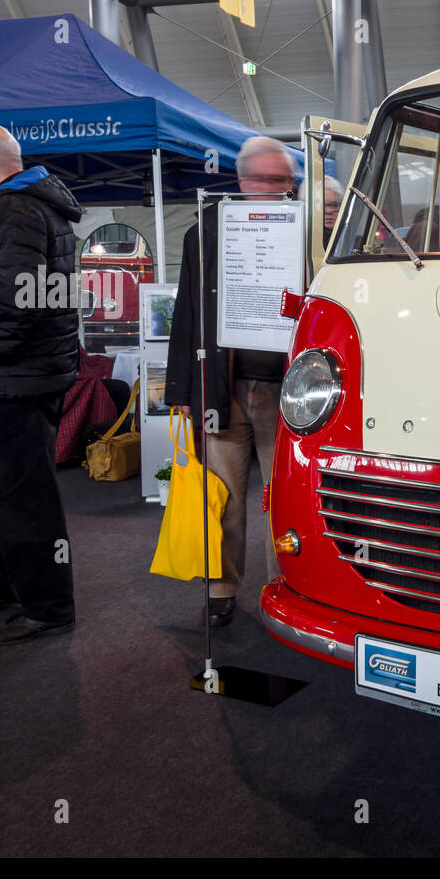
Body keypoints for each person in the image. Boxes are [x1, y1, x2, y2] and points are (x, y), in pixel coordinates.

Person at [0, 123, 81, 645]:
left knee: (25, 498)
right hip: (18, 376)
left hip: (14, 379)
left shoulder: (16, 211)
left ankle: (48, 606)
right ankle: (15, 586)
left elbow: (10, 307)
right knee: (11, 493)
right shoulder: (25, 206)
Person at [165, 136, 295, 627]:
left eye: (282, 180)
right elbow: (187, 312)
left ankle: (286, 586)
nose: (273, 188)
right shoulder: (205, 232)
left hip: (289, 392)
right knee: (223, 495)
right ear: (241, 181)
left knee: (284, 498)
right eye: (263, 179)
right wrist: (179, 392)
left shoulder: (302, 231)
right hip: (225, 388)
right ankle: (221, 588)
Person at [297, 174, 343, 245]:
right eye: (320, 206)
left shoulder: (352, 241)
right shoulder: (299, 244)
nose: (329, 211)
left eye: (334, 205)